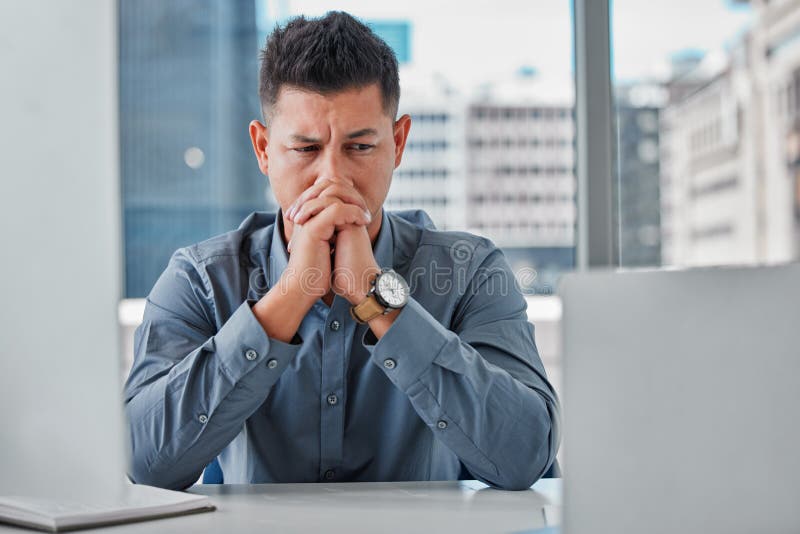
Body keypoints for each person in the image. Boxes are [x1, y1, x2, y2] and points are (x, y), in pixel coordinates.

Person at [124, 11, 560, 491]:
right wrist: (290, 295)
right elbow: (146, 461)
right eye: (306, 149)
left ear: (397, 143)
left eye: (360, 147)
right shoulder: (200, 280)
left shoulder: (470, 272)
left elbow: (526, 457)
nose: (333, 178)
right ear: (264, 148)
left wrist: (377, 296)